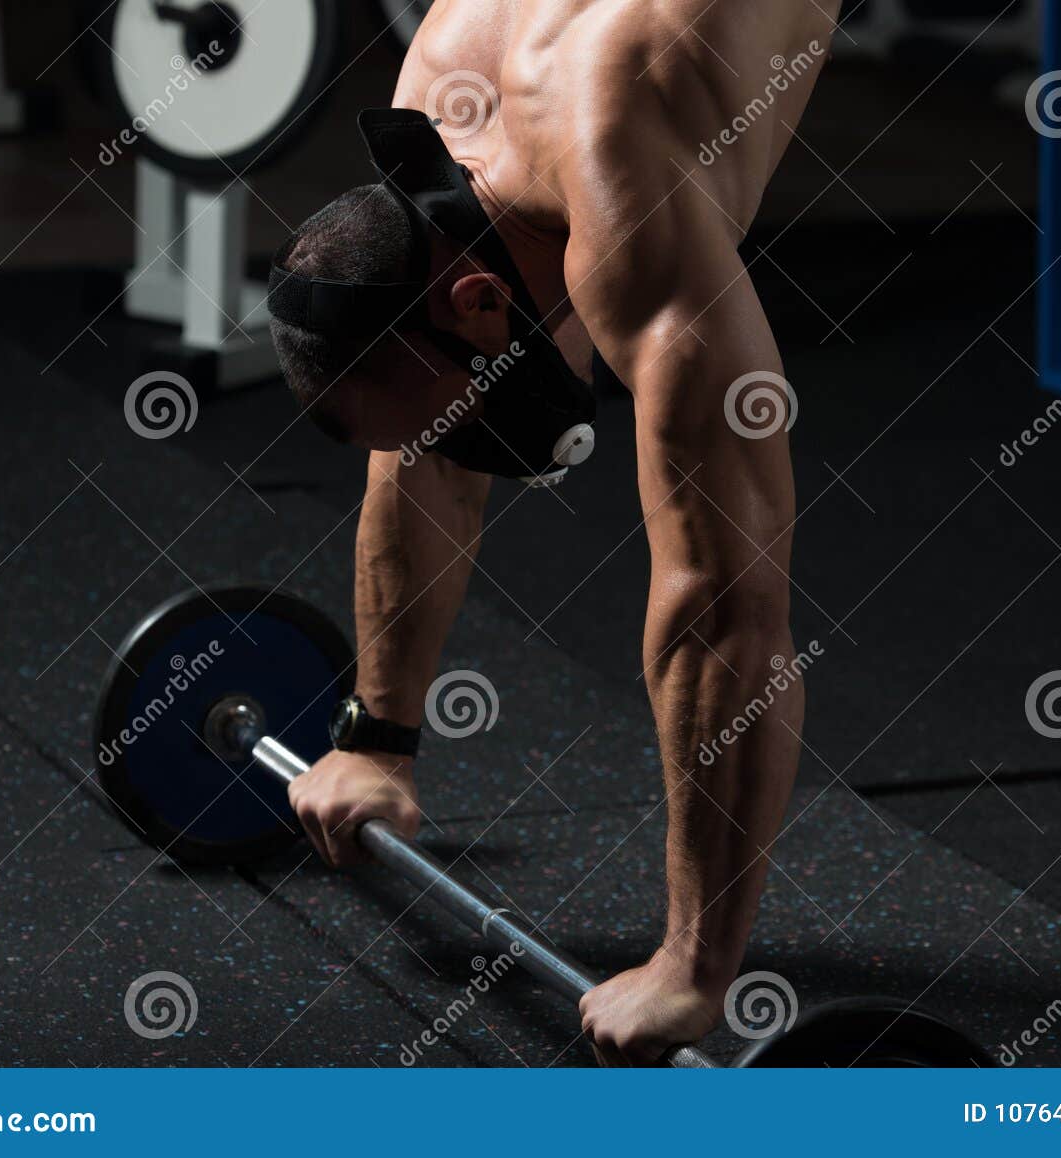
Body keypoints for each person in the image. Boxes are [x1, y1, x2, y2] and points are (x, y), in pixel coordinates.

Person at [268, 0, 837, 1065]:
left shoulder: (628, 191)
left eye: (455, 401)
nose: (458, 434)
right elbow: (419, 447)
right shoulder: (439, 109)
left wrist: (691, 967)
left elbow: (722, 602)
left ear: (481, 303)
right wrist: (373, 738)